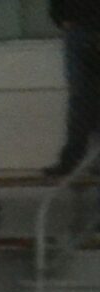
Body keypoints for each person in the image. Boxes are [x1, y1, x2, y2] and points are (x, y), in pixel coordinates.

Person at [50, 0, 100, 179]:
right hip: (77, 29)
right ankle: (74, 158)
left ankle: (74, 158)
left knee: (81, 98)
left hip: (79, 28)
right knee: (80, 98)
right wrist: (60, 18)